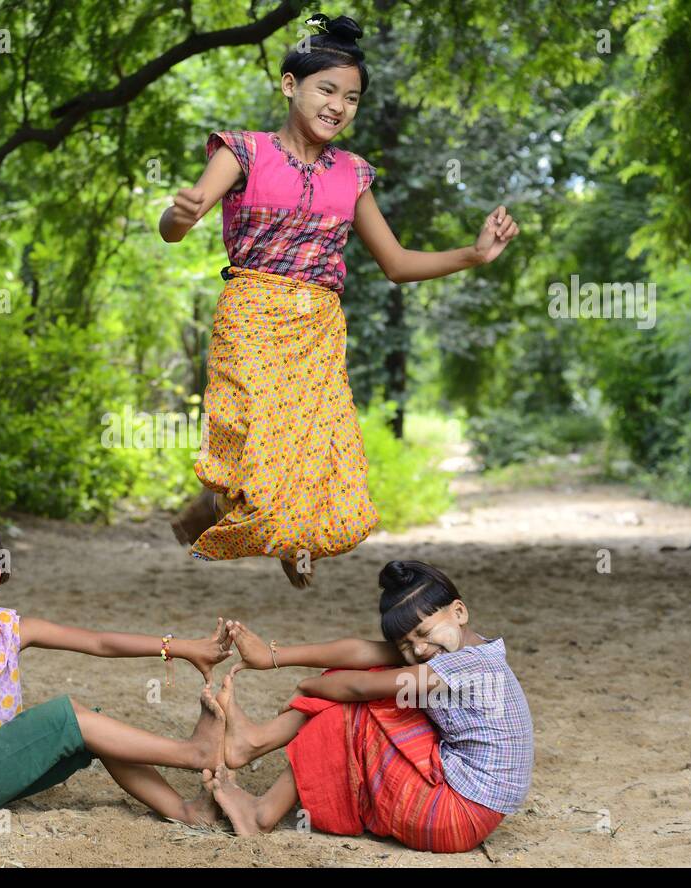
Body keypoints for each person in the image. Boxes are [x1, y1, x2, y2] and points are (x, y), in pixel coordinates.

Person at [161, 13, 520, 588]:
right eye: (326, 89)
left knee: (315, 450)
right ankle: (230, 509)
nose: (338, 105)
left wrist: (474, 255)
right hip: (252, 314)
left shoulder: (352, 175)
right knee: (256, 433)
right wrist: (177, 217)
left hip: (319, 326)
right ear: (289, 85)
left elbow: (398, 264)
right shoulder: (242, 151)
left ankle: (264, 528)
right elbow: (178, 223)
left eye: (350, 97)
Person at [0, 509, 236, 835]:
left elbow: (99, 642)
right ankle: (191, 753)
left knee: (95, 729)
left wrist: (181, 648)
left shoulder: (11, 630)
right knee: (66, 714)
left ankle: (188, 812)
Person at [203, 559, 534, 853]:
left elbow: (358, 686)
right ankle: (254, 743)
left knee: (354, 706)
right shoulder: (460, 651)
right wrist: (273, 657)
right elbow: (363, 654)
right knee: (365, 678)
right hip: (469, 812)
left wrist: (306, 685)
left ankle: (261, 811)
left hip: (455, 815)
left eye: (423, 632)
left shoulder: (466, 667)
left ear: (459, 612)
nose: (418, 649)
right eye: (405, 643)